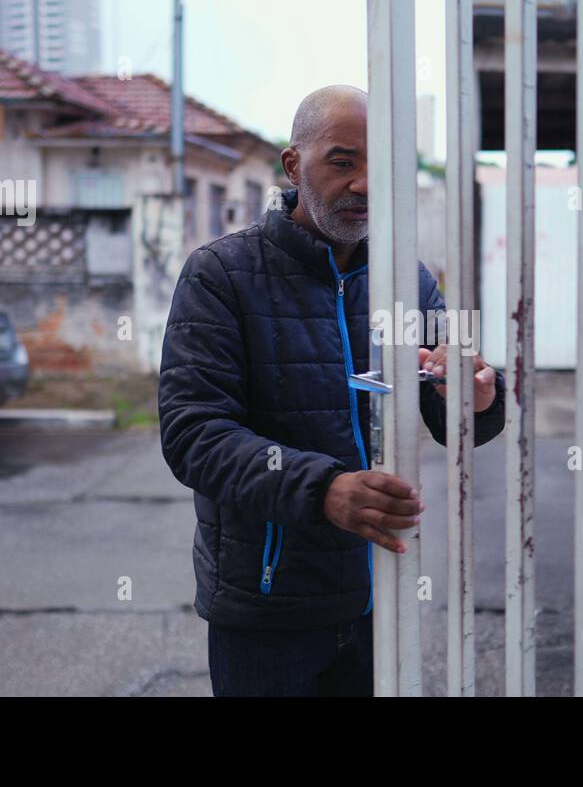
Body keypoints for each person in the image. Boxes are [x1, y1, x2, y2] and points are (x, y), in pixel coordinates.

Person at [158, 85, 507, 696]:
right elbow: (193, 433)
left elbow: (448, 402)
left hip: (380, 594)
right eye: (343, 161)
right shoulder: (222, 275)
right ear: (295, 165)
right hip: (266, 608)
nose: (366, 185)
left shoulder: (405, 278)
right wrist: (322, 489)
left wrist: (476, 396)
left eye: (382, 166)